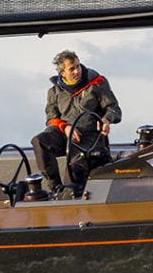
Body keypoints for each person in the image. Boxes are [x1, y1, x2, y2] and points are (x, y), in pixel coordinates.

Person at [28, 50, 122, 199]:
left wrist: (107, 119)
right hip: (65, 133)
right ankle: (56, 189)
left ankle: (70, 192)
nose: (77, 71)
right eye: (72, 69)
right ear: (62, 72)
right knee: (39, 141)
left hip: (90, 137)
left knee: (73, 173)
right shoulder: (54, 92)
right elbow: (51, 118)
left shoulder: (97, 83)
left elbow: (114, 109)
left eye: (78, 66)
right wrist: (65, 127)